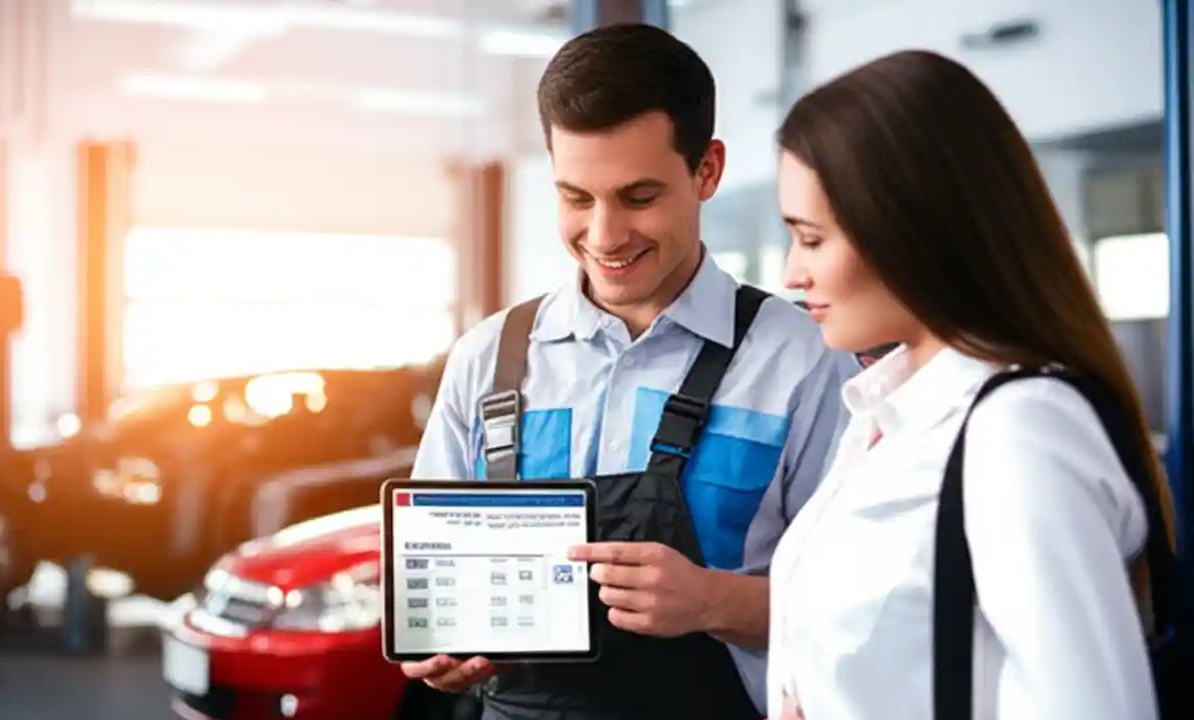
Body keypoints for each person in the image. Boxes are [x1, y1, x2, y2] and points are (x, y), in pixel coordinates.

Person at [403, 22, 855, 720]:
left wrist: (714, 602)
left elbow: (862, 614)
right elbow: (432, 583)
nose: (605, 236)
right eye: (576, 198)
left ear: (707, 170)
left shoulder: (805, 361)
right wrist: (439, 640)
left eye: (639, 197)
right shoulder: (487, 360)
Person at [765, 49, 1172, 720]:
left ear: (907, 230)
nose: (791, 274)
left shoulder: (1018, 431)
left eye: (811, 239)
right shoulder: (884, 413)